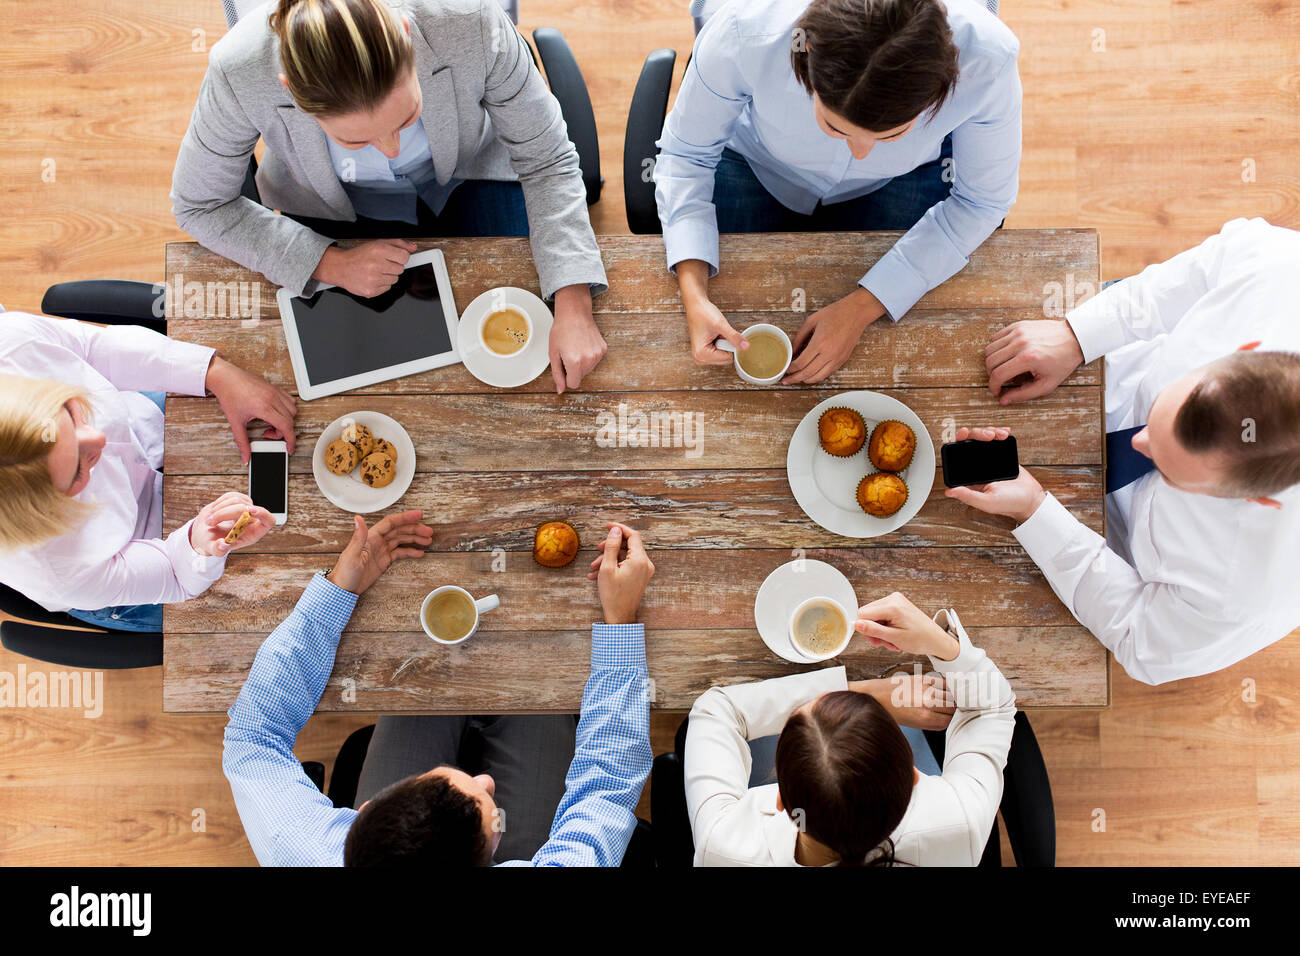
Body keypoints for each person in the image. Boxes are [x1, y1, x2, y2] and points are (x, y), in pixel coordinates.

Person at [171, 0, 609, 394]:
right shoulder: (239, 69)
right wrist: (327, 262)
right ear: (291, 91)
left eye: (407, 117)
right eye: (357, 141)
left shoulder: (471, 19)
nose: (392, 150)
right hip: (332, 210)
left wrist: (574, 298)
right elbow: (199, 204)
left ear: (404, 33)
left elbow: (547, 158)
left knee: (525, 334)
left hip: (469, 173)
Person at [951, 217, 1300, 685]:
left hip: (1115, 549)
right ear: (1242, 350)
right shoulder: (1278, 270)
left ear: (1259, 500)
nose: (1140, 442)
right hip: (1112, 365)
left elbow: (1141, 638)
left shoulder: (1250, 592)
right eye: (1159, 415)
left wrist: (1037, 513)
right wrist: (1078, 335)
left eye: (1169, 470)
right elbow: (1192, 278)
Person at [224, 519, 656, 866]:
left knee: (423, 672)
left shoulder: (304, 848)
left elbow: (252, 738)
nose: (486, 781)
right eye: (490, 812)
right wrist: (621, 620)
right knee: (537, 705)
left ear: (366, 809)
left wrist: (339, 588)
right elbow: (607, 785)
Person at [654, 0, 1020, 382]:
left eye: (892, 134)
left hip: (902, 178)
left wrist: (863, 307)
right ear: (807, 54)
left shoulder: (987, 59)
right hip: (754, 162)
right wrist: (694, 294)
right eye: (835, 126)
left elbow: (981, 202)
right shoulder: (745, 29)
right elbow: (686, 156)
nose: (860, 152)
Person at [0, 310, 295, 631]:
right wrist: (197, 546)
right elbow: (173, 574)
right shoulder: (57, 570)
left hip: (143, 422)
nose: (99, 438)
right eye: (76, 471)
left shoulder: (12, 345)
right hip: (130, 557)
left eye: (71, 412)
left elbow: (95, 351)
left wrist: (213, 372)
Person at [685, 591, 1014, 866]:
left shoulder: (722, 846)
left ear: (782, 800)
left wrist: (871, 692)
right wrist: (940, 643)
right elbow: (991, 707)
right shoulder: (960, 824)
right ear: (912, 776)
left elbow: (717, 709)